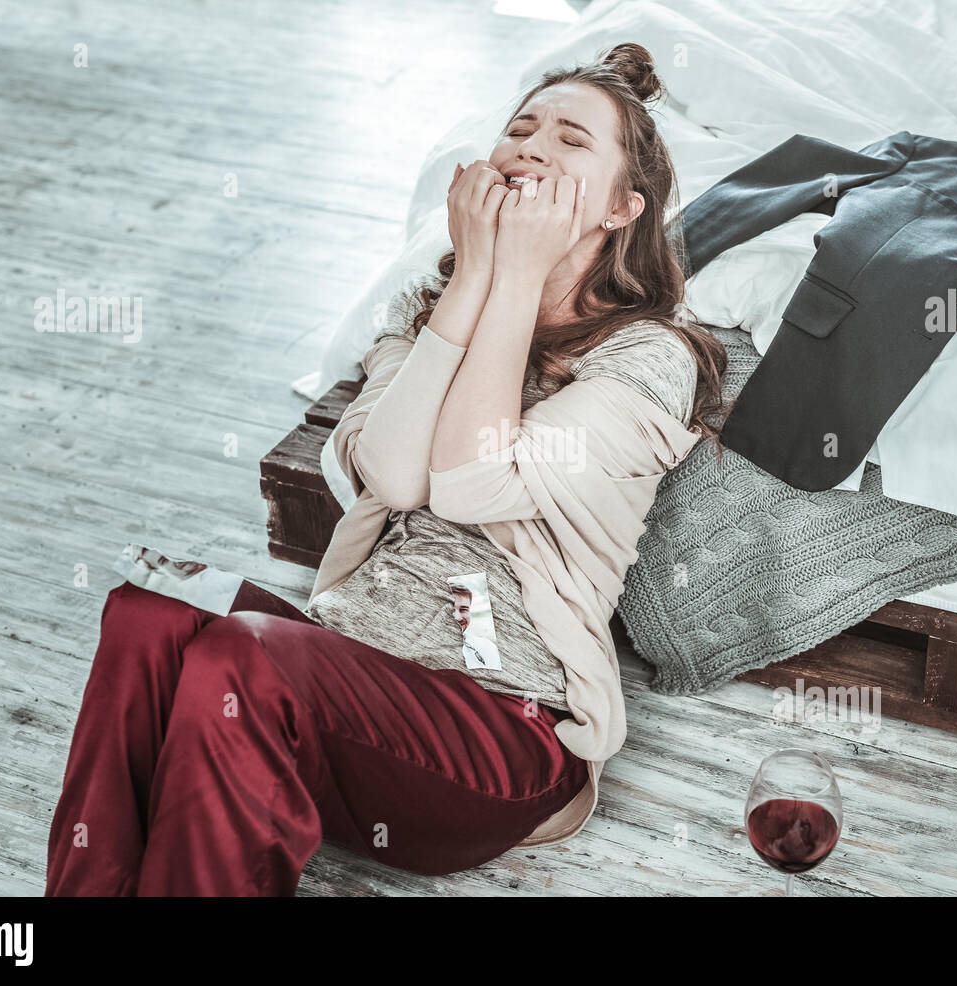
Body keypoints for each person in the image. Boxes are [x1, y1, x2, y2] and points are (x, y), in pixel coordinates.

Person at [45, 42, 728, 897]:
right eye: (520, 127)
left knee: (241, 658)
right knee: (152, 610)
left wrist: (516, 276)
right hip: (352, 676)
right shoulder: (430, 308)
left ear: (623, 209)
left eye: (571, 139)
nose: (532, 146)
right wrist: (476, 276)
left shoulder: (647, 357)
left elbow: (473, 482)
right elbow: (396, 478)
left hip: (500, 732)